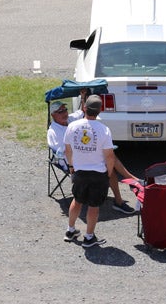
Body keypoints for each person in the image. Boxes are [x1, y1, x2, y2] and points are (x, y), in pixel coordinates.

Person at [63, 94, 116, 246]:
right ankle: (89, 236)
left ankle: (70, 229)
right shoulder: (104, 130)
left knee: (77, 200)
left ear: (84, 108)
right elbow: (110, 156)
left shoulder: (72, 126)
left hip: (79, 171)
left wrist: (71, 166)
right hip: (98, 173)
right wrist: (109, 172)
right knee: (93, 206)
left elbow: (68, 150)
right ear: (100, 110)